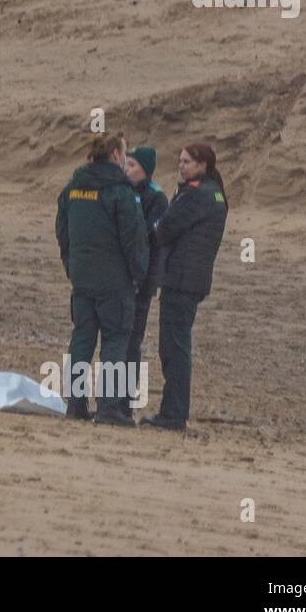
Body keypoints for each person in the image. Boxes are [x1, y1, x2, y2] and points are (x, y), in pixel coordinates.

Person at [54, 133, 149, 425]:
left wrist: (72, 266)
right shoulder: (120, 192)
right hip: (114, 281)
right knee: (114, 341)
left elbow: (63, 232)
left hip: (82, 278)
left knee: (82, 339)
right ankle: (109, 407)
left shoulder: (73, 189)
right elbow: (134, 240)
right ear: (117, 156)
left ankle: (76, 404)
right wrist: (138, 275)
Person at [143, 143, 228, 432]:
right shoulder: (214, 193)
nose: (181, 166)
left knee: (174, 348)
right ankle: (173, 411)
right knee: (177, 346)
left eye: (188, 162)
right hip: (191, 280)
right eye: (180, 161)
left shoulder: (195, 195)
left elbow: (164, 230)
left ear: (202, 165)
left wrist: (155, 225)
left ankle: (173, 414)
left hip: (181, 280)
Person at [122, 145, 168, 412]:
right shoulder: (123, 191)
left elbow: (152, 240)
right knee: (118, 338)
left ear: (145, 170)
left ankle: (126, 400)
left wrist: (145, 280)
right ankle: (112, 398)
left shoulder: (157, 198)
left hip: (143, 279)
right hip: (122, 278)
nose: (127, 170)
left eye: (133, 166)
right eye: (126, 164)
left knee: (132, 340)